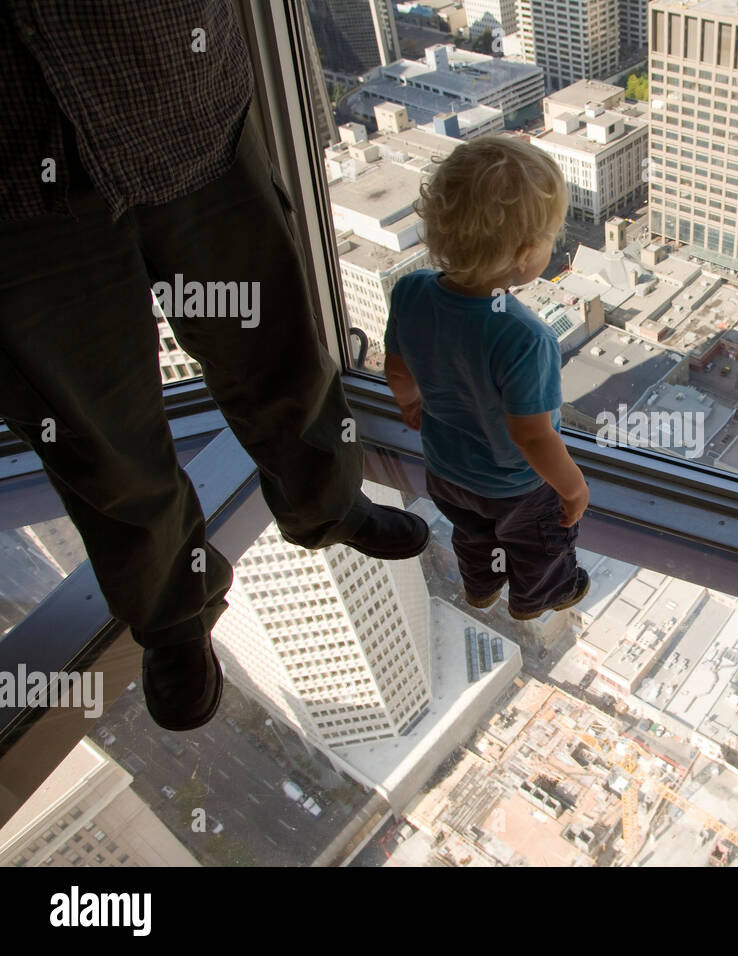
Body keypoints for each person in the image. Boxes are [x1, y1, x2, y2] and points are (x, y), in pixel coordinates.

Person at [0, 1, 429, 732]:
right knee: (95, 437)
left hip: (176, 95)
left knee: (279, 354)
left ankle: (326, 504)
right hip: (13, 177)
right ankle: (172, 616)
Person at [384, 136, 589, 621]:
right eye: (550, 240)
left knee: (472, 535)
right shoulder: (524, 337)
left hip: (445, 470)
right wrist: (574, 487)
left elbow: (397, 367)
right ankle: (537, 597)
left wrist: (409, 402)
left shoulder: (411, 291)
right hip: (515, 487)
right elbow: (533, 437)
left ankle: (480, 588)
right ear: (524, 255)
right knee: (540, 545)